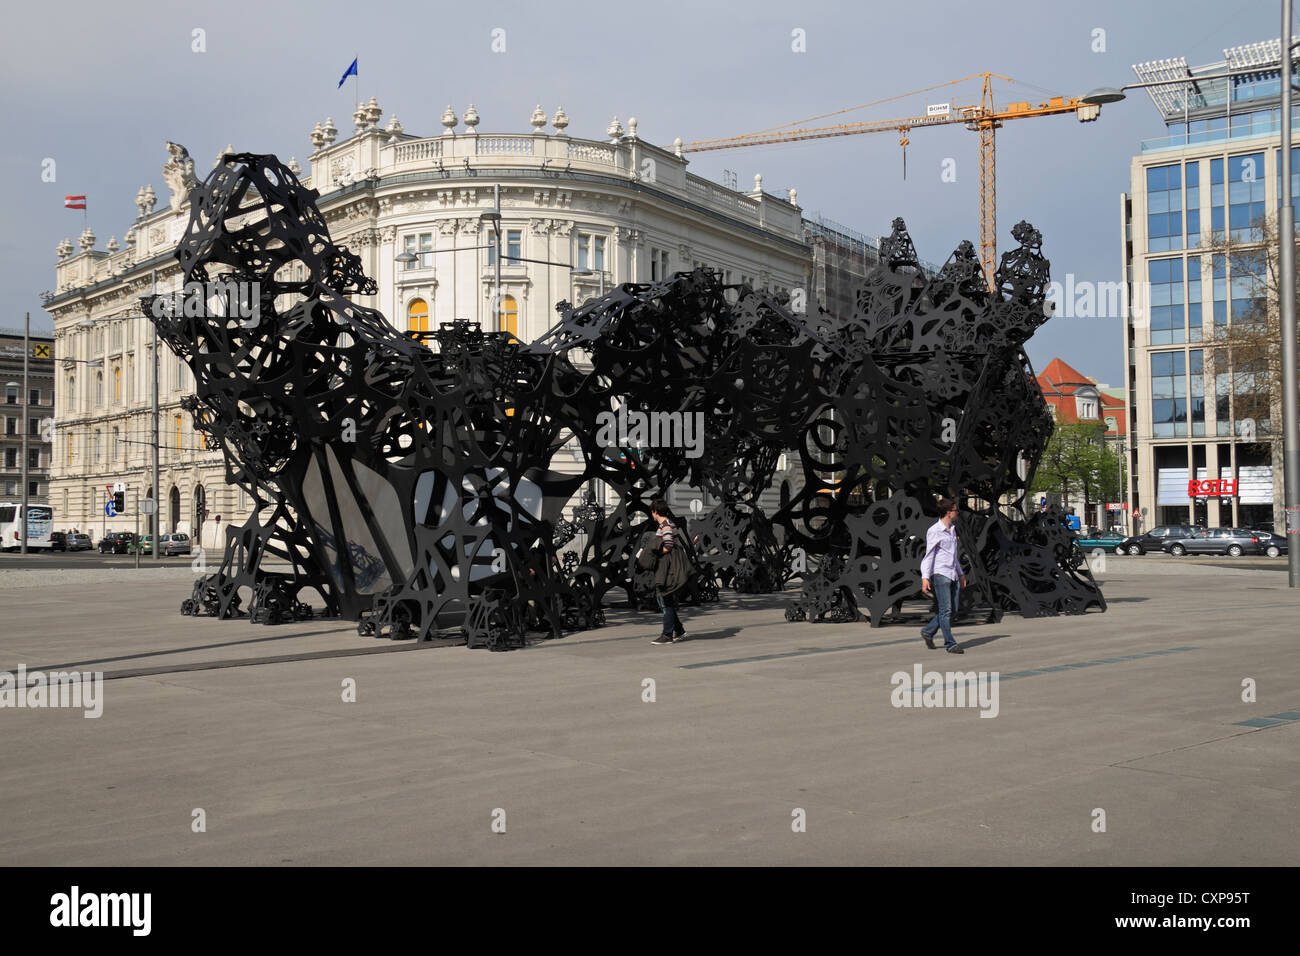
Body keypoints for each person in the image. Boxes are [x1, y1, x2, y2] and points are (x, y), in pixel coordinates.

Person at [919, 497, 967, 654]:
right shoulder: (934, 531)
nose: (957, 512)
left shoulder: (953, 530)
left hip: (952, 573)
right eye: (955, 510)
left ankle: (928, 631)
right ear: (948, 513)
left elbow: (953, 556)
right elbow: (929, 556)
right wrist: (925, 577)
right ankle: (950, 643)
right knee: (945, 610)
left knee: (952, 610)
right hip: (940, 574)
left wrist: (960, 574)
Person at [648, 499, 689, 645]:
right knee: (666, 599)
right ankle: (679, 630)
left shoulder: (665, 525)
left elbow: (669, 545)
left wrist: (656, 554)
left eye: (651, 511)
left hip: (667, 568)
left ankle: (667, 634)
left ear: (655, 511)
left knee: (665, 599)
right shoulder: (667, 523)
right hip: (668, 566)